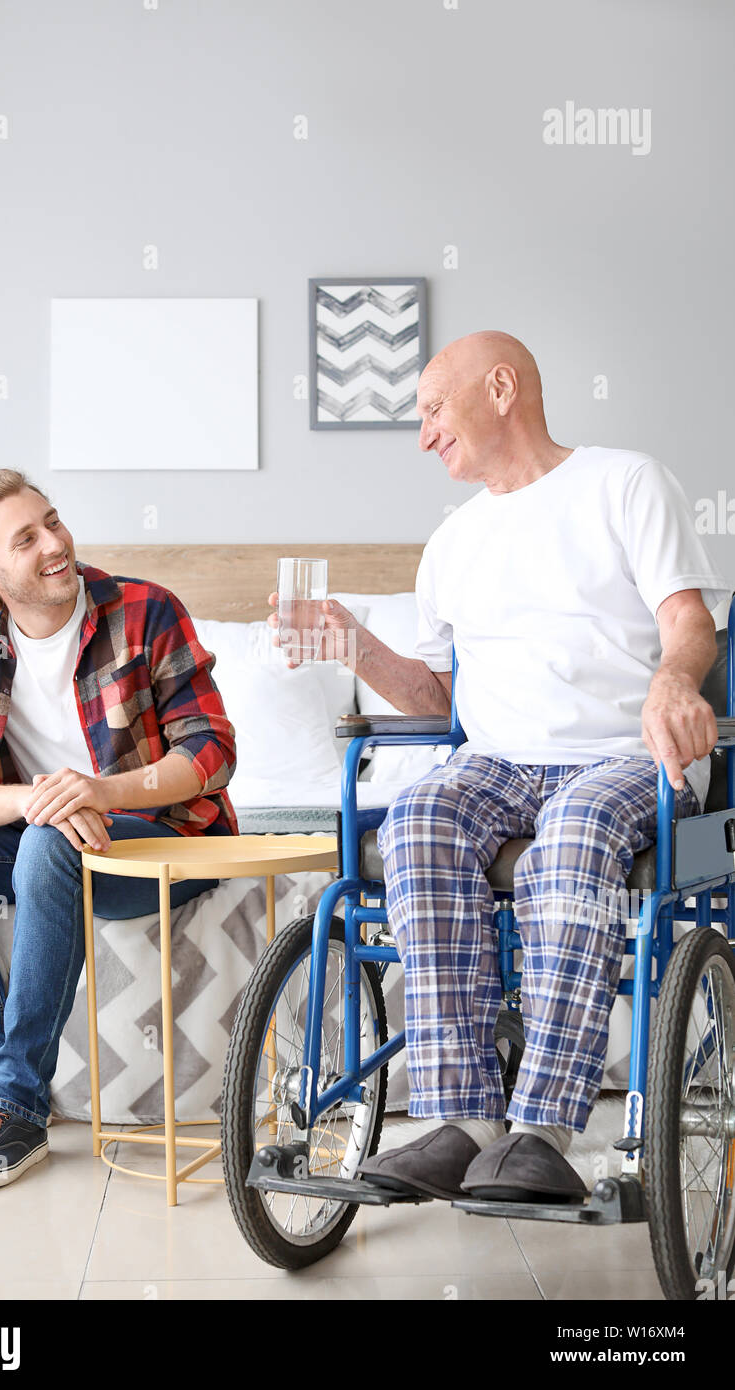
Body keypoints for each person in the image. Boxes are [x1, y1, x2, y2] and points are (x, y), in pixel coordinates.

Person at [269, 330, 729, 1202]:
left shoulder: (624, 483)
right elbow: (439, 699)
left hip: (624, 756)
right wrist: (354, 642)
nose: (424, 435)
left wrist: (674, 682)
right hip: (500, 763)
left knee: (575, 831)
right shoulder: (454, 541)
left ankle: (542, 1133)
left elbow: (689, 624)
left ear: (503, 387)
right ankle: (465, 1121)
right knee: (416, 818)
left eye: (434, 409)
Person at [0, 470, 237, 1191]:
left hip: (166, 837)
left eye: (53, 521)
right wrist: (36, 800)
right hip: (47, 834)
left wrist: (100, 792)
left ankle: (17, 1106)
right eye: (27, 537)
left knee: (51, 841)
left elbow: (210, 751)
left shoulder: (144, 610)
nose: (55, 543)